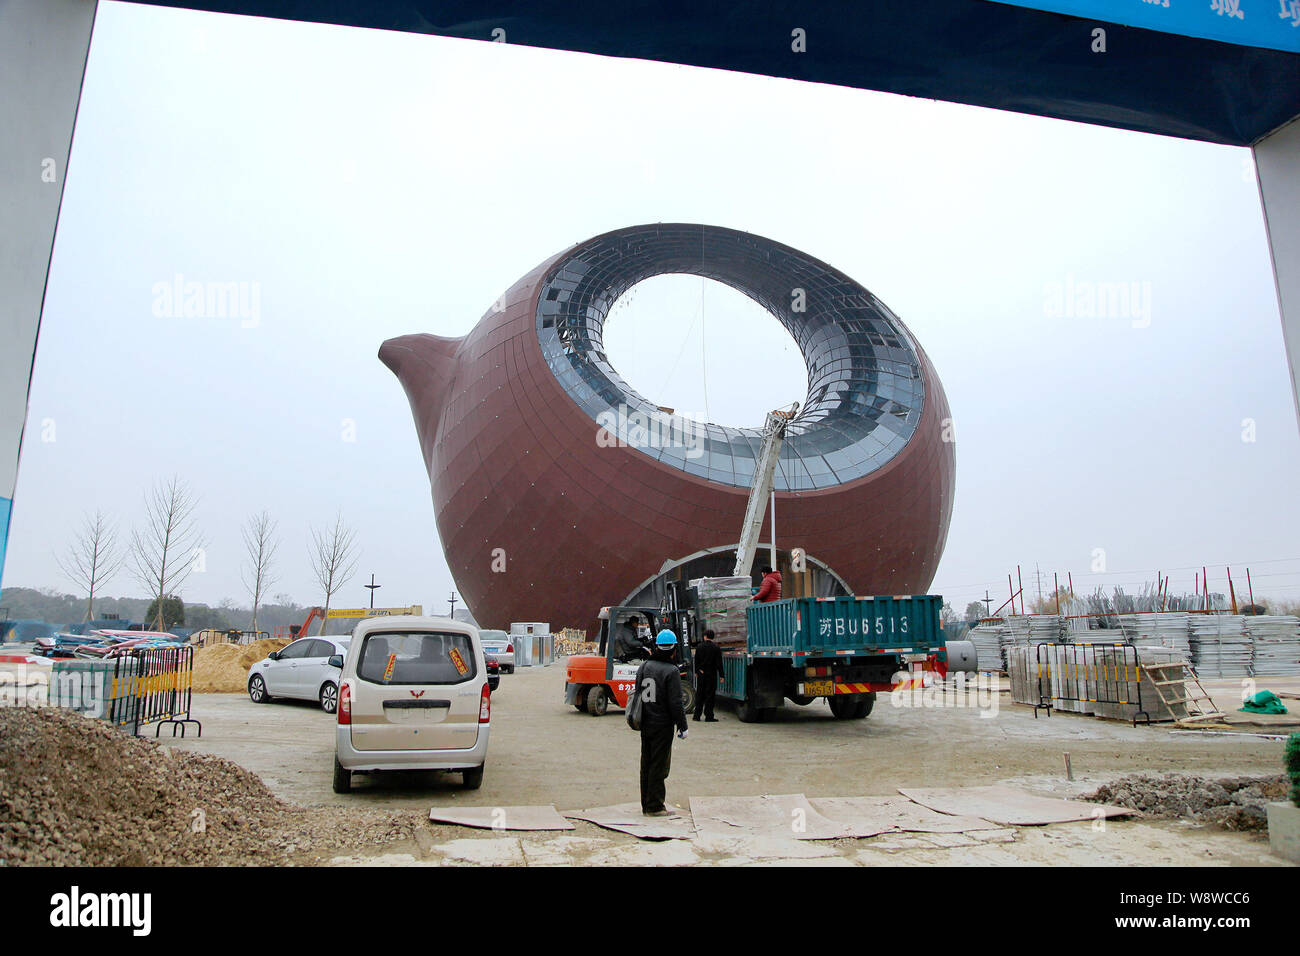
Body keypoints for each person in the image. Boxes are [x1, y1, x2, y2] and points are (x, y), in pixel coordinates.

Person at [637, 629, 689, 816]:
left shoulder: (644, 666)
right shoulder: (672, 671)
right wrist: (683, 726)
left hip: (646, 722)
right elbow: (676, 702)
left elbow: (637, 693)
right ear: (674, 648)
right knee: (659, 765)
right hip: (663, 725)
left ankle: (646, 804)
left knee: (647, 763)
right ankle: (655, 806)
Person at [692, 628, 723, 722]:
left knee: (700, 694)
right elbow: (719, 663)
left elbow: (696, 661)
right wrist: (722, 675)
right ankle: (709, 716)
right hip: (711, 674)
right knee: (710, 696)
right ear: (712, 637)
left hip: (701, 673)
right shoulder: (716, 648)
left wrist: (697, 672)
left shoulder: (699, 647)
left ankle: (696, 716)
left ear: (705, 637)